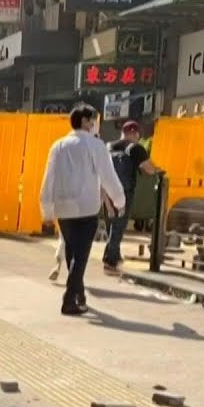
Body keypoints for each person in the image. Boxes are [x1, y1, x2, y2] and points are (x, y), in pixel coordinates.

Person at [40, 106, 126, 316]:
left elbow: (48, 179)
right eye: (94, 120)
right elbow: (108, 175)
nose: (96, 124)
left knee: (72, 253)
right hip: (86, 208)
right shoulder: (95, 145)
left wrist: (47, 211)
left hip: (64, 209)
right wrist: (119, 200)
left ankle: (79, 295)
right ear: (86, 121)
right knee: (81, 256)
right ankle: (70, 299)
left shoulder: (58, 146)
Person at [103, 120, 158, 273]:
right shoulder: (135, 148)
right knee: (118, 226)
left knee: (111, 225)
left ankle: (115, 254)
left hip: (106, 190)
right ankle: (110, 261)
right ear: (136, 134)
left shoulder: (108, 146)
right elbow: (149, 169)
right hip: (124, 191)